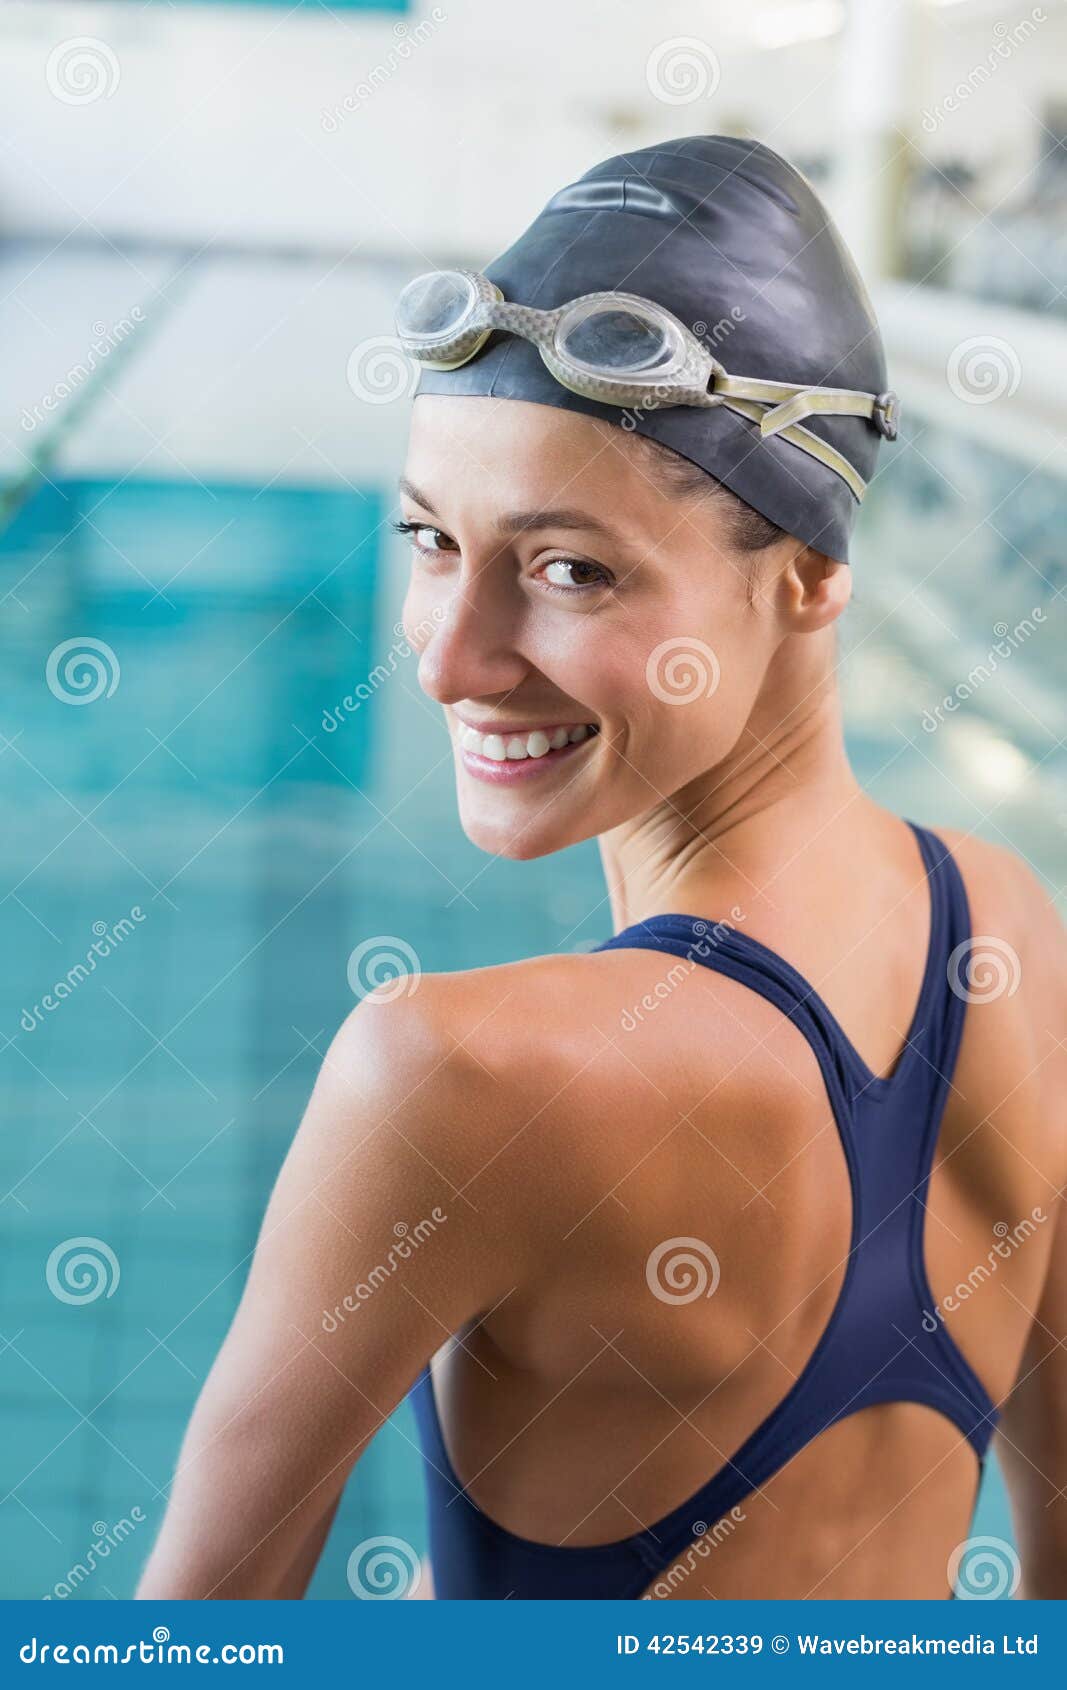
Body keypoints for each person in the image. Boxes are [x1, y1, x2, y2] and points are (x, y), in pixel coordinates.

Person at [138, 136, 1066, 1601]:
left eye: (571, 568)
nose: (449, 658)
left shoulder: (452, 1079)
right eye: (431, 538)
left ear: (814, 573)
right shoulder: (1009, 927)